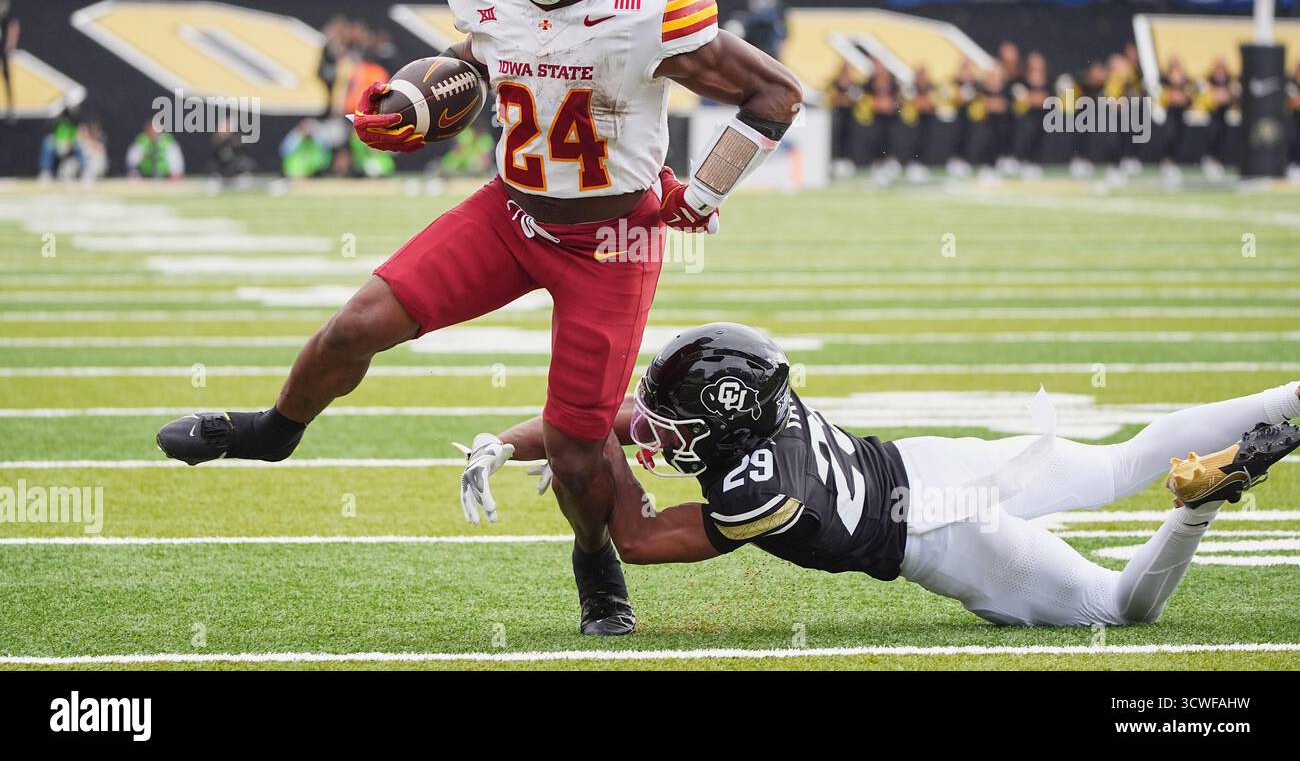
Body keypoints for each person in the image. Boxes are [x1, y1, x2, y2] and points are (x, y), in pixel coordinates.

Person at [155, 0, 803, 638]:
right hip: (510, 211)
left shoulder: (649, 5)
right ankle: (274, 430)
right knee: (356, 324)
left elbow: (775, 91)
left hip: (612, 242)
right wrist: (415, 98)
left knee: (573, 448)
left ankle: (595, 563)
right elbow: (484, 55)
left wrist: (707, 191)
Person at [459, 323, 1300, 629]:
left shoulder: (763, 494)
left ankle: (1200, 505)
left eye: (679, 418)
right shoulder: (764, 406)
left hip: (942, 533)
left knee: (1118, 610)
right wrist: (519, 440)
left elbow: (638, 541)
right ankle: (1292, 394)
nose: (659, 428)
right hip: (934, 459)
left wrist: (601, 466)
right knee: (1122, 460)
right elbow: (607, 415)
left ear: (727, 415)